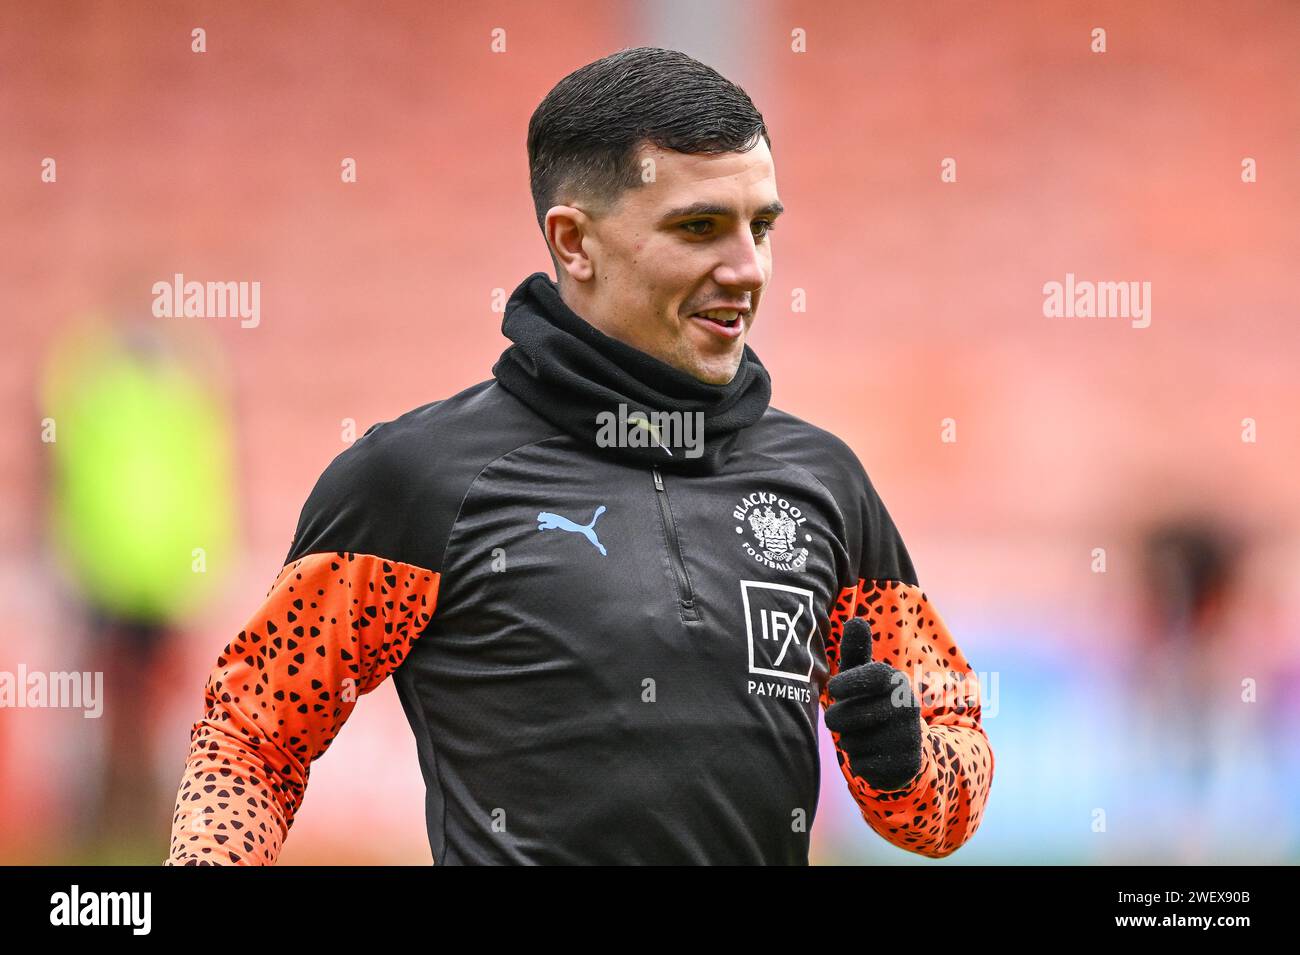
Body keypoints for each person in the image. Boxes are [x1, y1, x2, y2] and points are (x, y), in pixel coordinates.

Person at [165, 46, 994, 865]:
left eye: (762, 226)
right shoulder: (416, 480)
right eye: (700, 226)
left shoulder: (826, 481)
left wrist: (905, 760)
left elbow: (944, 805)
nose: (748, 268)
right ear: (574, 243)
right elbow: (250, 738)